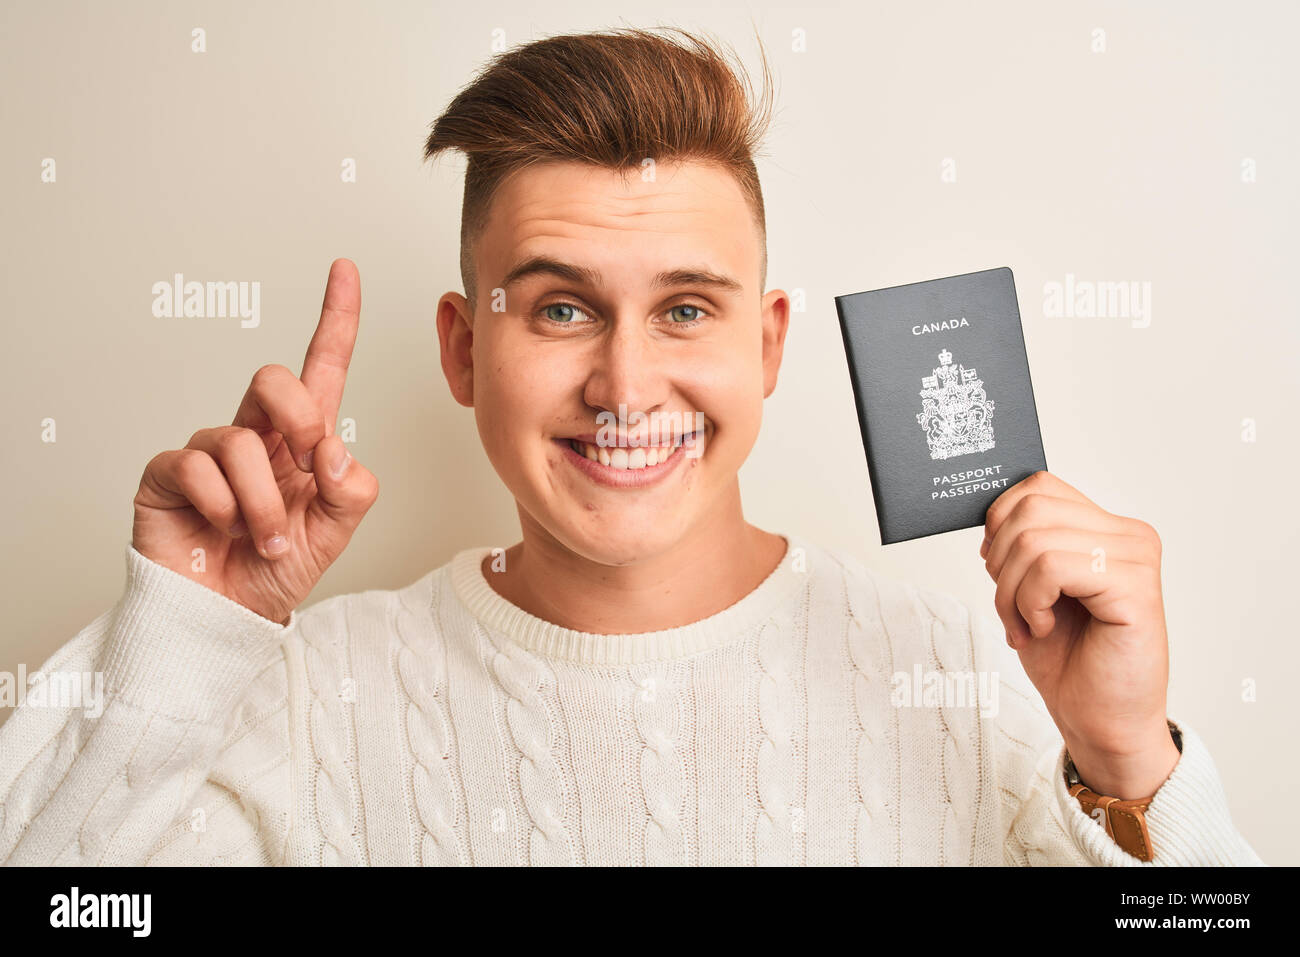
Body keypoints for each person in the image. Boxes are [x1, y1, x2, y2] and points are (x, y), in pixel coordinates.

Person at [0, 27, 1261, 866]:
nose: (624, 381)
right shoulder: (295, 698)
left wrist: (1127, 763)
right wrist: (179, 639)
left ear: (766, 347)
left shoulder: (970, 682)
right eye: (559, 306)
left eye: (686, 309)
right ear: (461, 349)